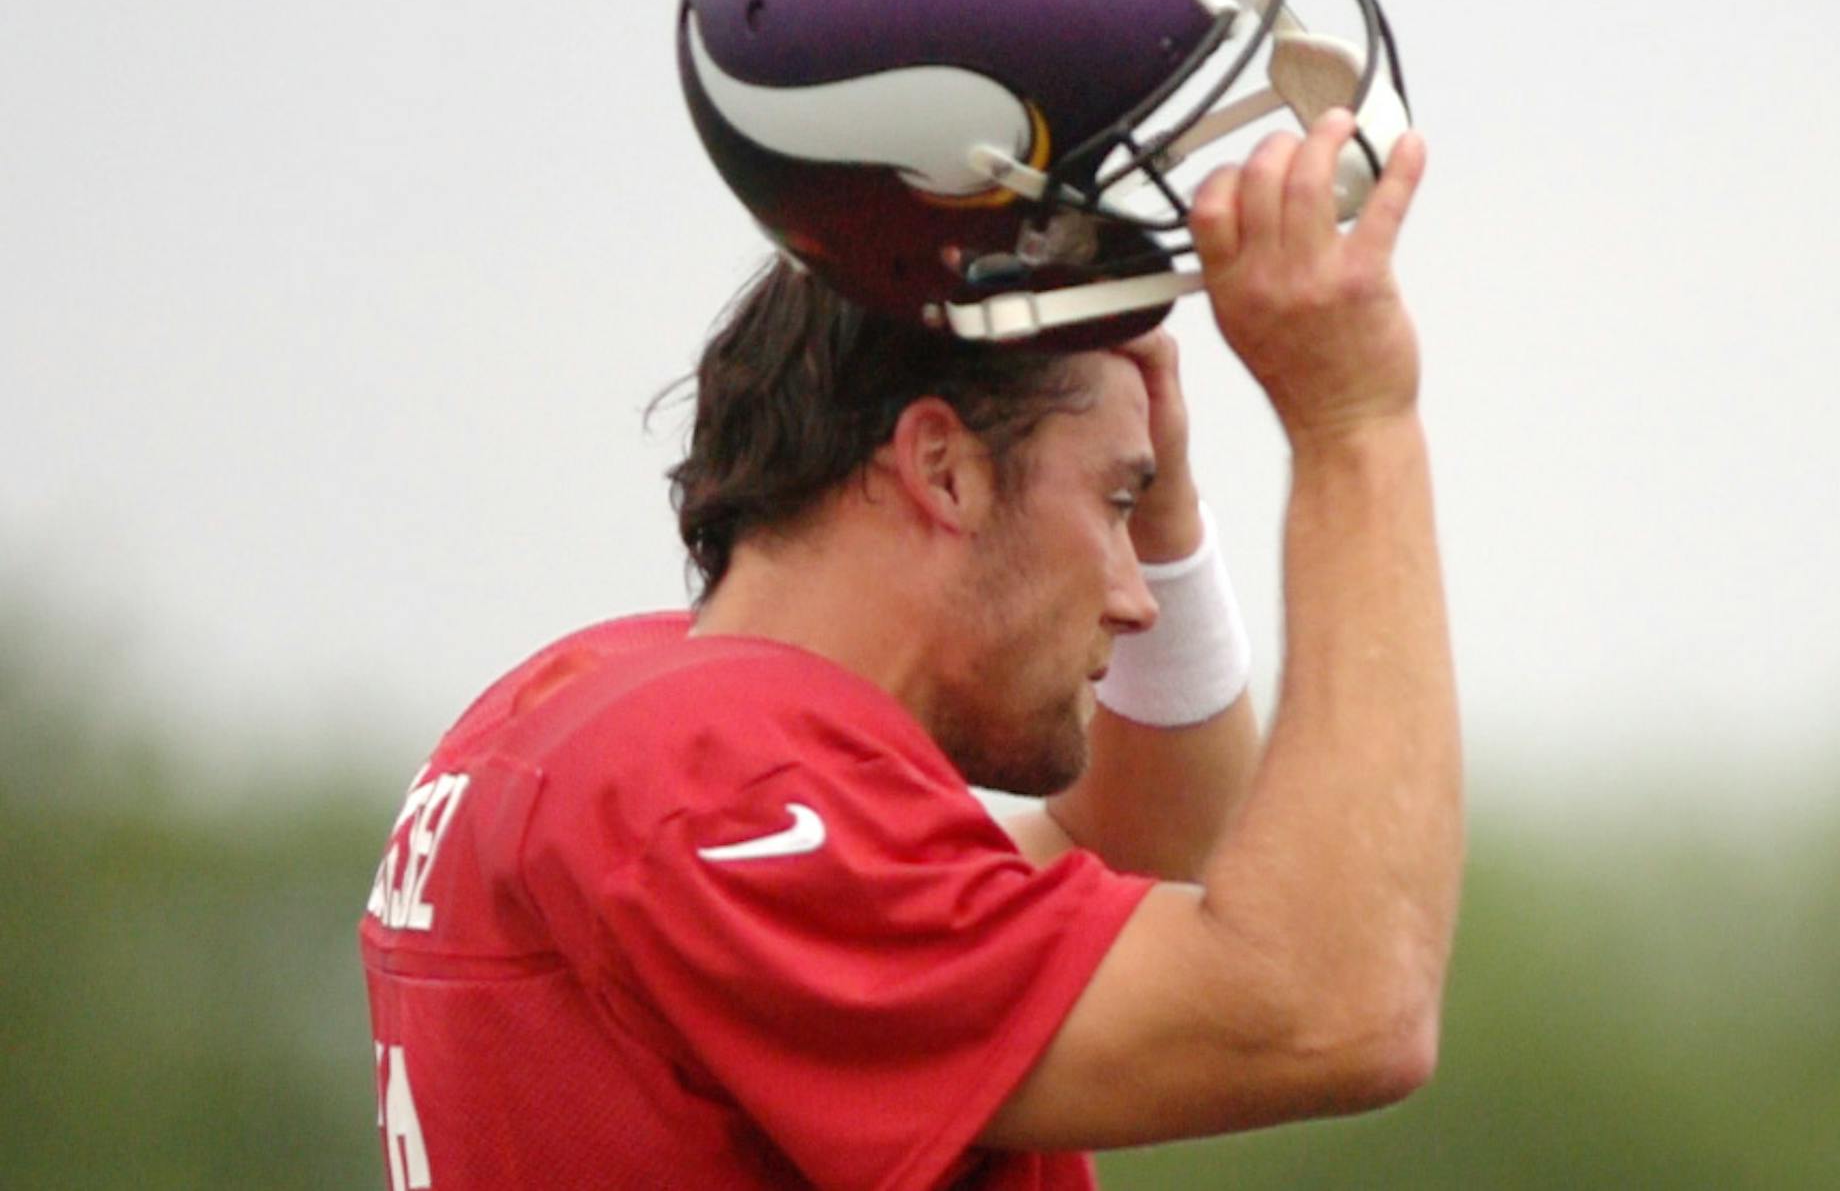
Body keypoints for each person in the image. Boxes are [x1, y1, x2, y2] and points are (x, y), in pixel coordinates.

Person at [359, 107, 1457, 1189]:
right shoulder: (722, 788)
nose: (1138, 602)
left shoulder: (583, 712)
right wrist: (1355, 423)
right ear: (942, 469)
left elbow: (1153, 847)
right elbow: (1341, 1003)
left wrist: (1158, 499)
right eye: (1116, 503)